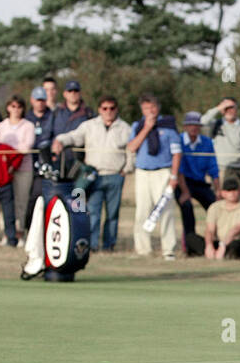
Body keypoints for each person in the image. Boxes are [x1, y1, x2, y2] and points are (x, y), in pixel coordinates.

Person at [55, 95, 133, 253]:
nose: (108, 111)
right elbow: (74, 136)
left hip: (115, 175)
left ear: (116, 109)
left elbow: (131, 151)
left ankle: (109, 245)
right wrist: (60, 140)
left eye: (112, 108)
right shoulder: (89, 125)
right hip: (94, 176)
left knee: (112, 214)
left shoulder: (125, 128)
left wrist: (127, 169)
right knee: (93, 211)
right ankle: (92, 245)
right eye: (105, 108)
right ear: (99, 110)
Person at [125, 93, 183, 258]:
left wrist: (174, 176)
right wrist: (146, 128)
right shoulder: (137, 126)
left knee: (165, 210)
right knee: (142, 211)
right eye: (146, 108)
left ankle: (168, 249)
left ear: (158, 108)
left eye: (152, 107)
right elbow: (131, 147)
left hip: (163, 172)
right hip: (143, 173)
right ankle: (143, 249)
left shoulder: (168, 125)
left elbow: (177, 153)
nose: (150, 111)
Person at [186, 176, 240, 259]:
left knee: (235, 246)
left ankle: (226, 254)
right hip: (218, 242)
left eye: (234, 190)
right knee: (190, 237)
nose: (232, 193)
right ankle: (211, 253)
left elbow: (237, 229)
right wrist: (209, 245)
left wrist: (222, 245)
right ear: (223, 193)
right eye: (229, 190)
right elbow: (210, 229)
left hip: (237, 242)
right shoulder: (215, 207)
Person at [0, 95, 36, 238]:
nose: (16, 109)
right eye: (13, 106)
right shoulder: (0, 126)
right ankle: (7, 233)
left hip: (23, 169)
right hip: (4, 169)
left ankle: (19, 232)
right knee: (4, 202)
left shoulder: (28, 126)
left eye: (19, 107)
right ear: (8, 108)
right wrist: (13, 150)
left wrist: (9, 150)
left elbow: (26, 147)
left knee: (21, 201)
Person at [178, 111, 219, 249]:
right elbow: (179, 170)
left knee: (215, 207)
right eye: (190, 125)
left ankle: (218, 242)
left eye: (196, 125)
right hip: (182, 182)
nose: (194, 128)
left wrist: (218, 190)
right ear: (185, 126)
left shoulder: (207, 142)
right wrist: (185, 192)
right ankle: (189, 245)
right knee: (187, 207)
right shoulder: (178, 141)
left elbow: (213, 168)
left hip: (200, 182)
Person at [24, 81, 56, 225]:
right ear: (32, 100)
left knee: (44, 196)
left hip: (48, 164)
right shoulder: (26, 118)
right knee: (29, 198)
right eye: (38, 100)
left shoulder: (53, 116)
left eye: (43, 100)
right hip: (27, 164)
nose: (40, 103)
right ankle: (28, 227)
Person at [200, 96, 240, 191]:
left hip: (238, 170)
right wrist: (218, 108)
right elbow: (202, 122)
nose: (229, 110)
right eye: (226, 108)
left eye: (231, 107)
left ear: (237, 109)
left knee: (237, 197)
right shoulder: (215, 124)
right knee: (219, 196)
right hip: (220, 170)